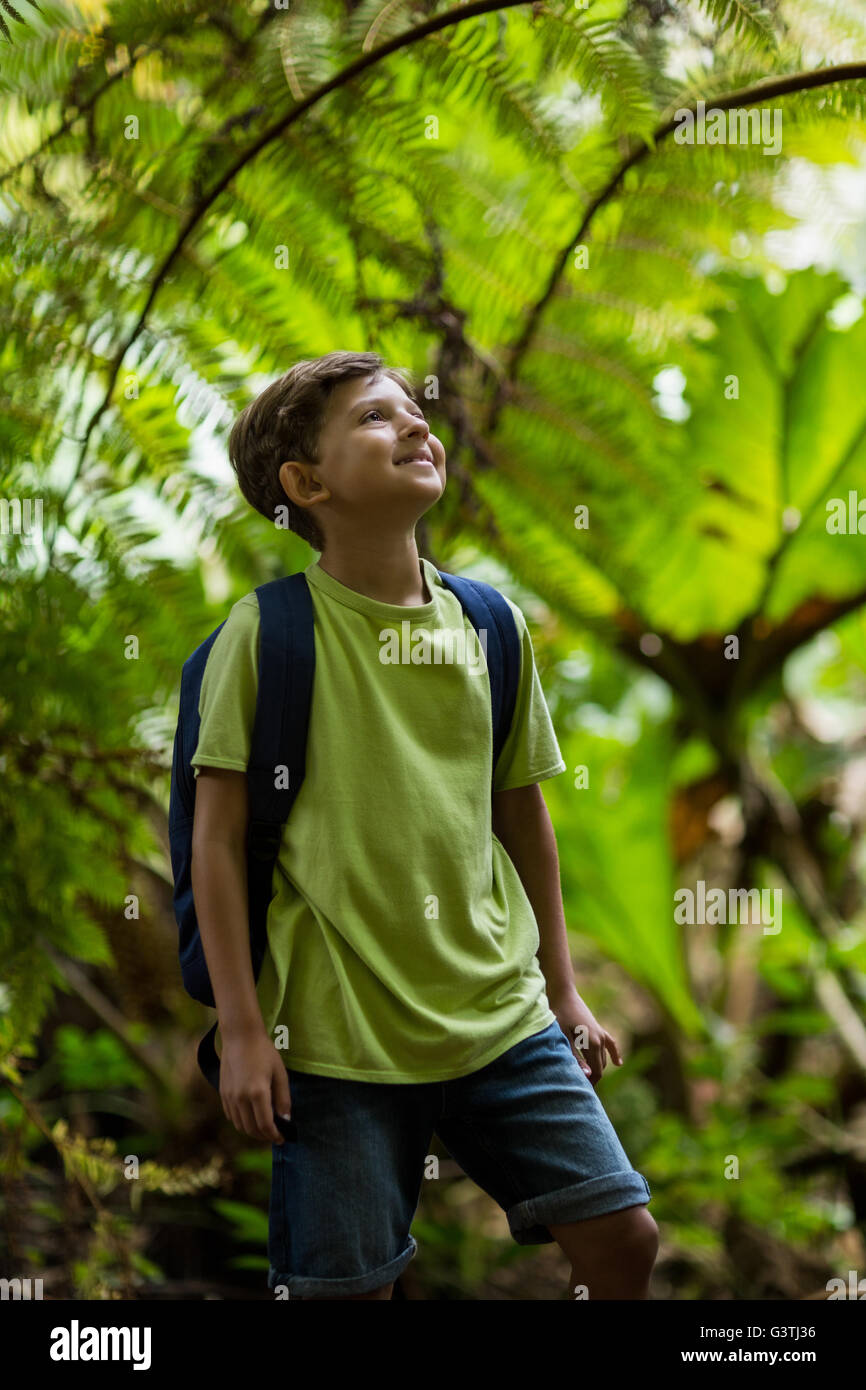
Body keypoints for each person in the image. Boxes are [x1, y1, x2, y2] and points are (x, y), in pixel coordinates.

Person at [189, 350, 657, 1300]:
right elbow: (215, 842)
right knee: (345, 1290)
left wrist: (563, 992)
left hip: (498, 1013)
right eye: (374, 417)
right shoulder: (269, 634)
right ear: (306, 484)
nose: (414, 425)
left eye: (414, 410)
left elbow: (523, 818)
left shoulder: (491, 626)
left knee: (624, 1238)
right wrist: (242, 1029)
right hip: (332, 1034)